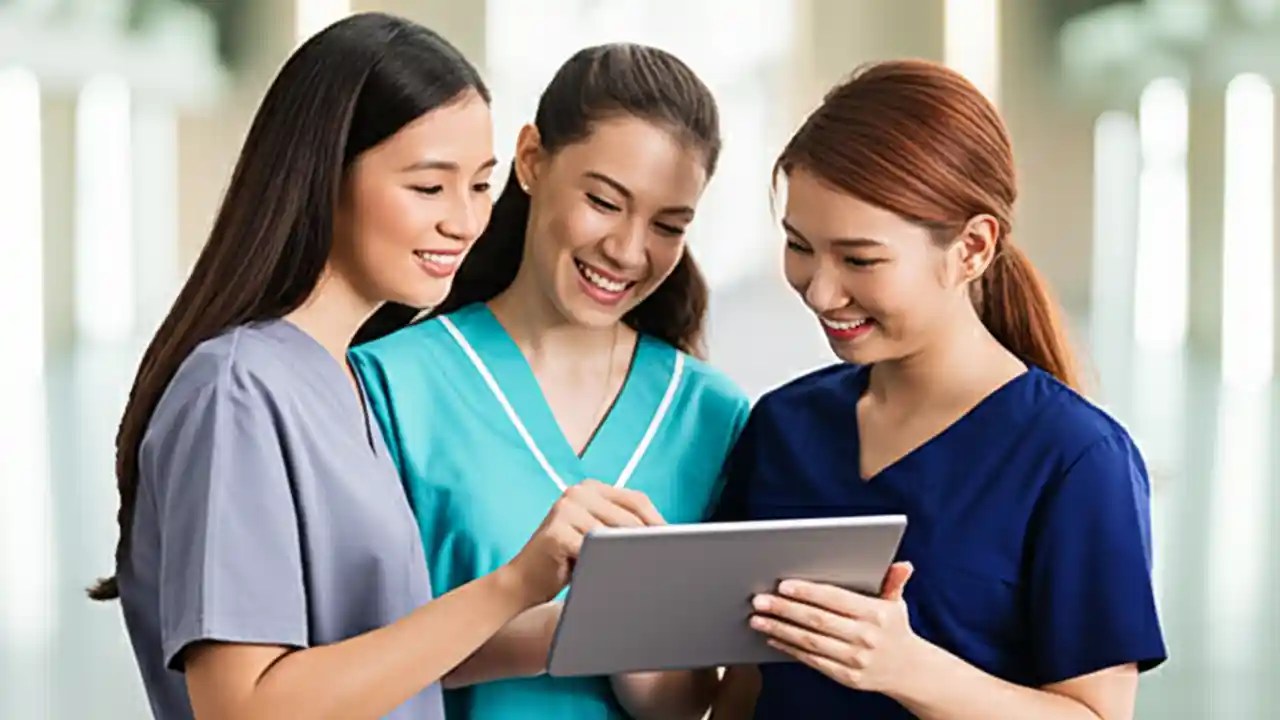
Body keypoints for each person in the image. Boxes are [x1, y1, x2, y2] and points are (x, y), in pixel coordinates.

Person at [89, 14, 659, 720]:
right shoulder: (238, 390)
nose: (464, 220)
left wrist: (608, 615)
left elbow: (376, 656)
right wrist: (511, 585)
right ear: (324, 175)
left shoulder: (342, 380)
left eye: (480, 185)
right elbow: (244, 706)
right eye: (428, 188)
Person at [710, 60, 1167, 719]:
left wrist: (908, 668)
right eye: (799, 246)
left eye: (860, 259)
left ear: (973, 248)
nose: (820, 290)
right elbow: (745, 687)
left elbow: (1096, 714)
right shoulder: (784, 426)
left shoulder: (1075, 459)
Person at [350, 43, 749, 720]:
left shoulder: (713, 415)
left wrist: (637, 640)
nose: (627, 250)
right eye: (603, 201)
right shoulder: (390, 381)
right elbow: (344, 657)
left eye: (667, 225)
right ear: (531, 160)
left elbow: (684, 705)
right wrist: (573, 626)